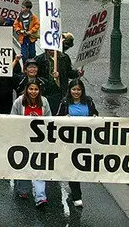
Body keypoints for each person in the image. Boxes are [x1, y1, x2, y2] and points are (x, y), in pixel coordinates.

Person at [10, 79, 52, 207]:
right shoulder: (19, 101)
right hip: (23, 140)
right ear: (26, 89)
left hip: (40, 141)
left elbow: (50, 119)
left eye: (36, 89)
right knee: (23, 163)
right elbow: (12, 118)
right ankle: (23, 189)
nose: (33, 92)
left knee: (39, 165)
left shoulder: (44, 101)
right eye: (31, 89)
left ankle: (41, 196)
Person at [57, 78, 98, 208]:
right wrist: (64, 119)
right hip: (69, 141)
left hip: (85, 140)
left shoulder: (89, 102)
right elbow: (56, 118)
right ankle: (77, 195)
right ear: (70, 90)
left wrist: (95, 118)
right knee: (73, 166)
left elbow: (96, 115)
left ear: (82, 91)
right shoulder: (64, 102)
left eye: (79, 90)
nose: (76, 92)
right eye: (74, 89)